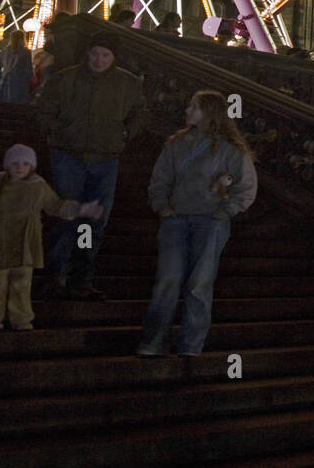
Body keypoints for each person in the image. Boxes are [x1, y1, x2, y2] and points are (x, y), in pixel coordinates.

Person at [137, 90, 257, 357]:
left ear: (209, 113)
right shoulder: (177, 145)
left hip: (209, 221)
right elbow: (160, 178)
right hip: (177, 219)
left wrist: (225, 211)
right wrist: (161, 205)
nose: (187, 110)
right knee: (168, 281)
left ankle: (189, 345)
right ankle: (155, 342)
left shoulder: (230, 151)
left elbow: (246, 186)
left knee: (198, 284)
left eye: (194, 107)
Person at [34, 31, 147, 299]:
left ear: (114, 57)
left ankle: (79, 275)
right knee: (68, 214)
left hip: (105, 157)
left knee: (91, 220)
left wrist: (125, 134)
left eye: (105, 55)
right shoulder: (65, 79)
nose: (98, 60)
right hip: (69, 154)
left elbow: (140, 114)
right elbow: (44, 110)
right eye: (95, 54)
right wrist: (55, 132)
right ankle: (58, 273)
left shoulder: (127, 84)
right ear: (87, 53)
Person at [0, 144, 103, 331]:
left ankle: (21, 318)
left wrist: (79, 209)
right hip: (0, 240)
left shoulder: (39, 186)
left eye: (25, 163)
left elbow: (56, 206)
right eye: (15, 163)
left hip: (26, 244)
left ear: (32, 166)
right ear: (7, 165)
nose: (19, 167)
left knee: (22, 283)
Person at [0, 31, 33, 104]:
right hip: (20, 82)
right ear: (22, 39)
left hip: (5, 81)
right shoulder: (26, 52)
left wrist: (2, 77)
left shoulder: (4, 51)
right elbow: (29, 70)